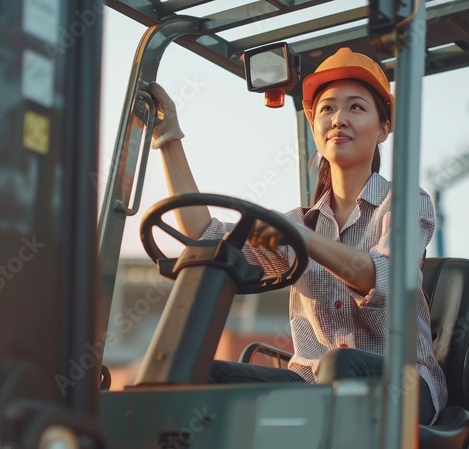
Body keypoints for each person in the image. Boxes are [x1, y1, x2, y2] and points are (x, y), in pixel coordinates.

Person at [147, 47, 446, 425]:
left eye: (356, 107)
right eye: (327, 109)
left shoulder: (406, 203)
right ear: (314, 125)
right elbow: (207, 239)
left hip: (403, 384)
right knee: (200, 373)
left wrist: (300, 239)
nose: (339, 119)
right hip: (313, 382)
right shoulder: (298, 223)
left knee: (342, 365)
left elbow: (380, 278)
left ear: (383, 128)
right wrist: (168, 137)